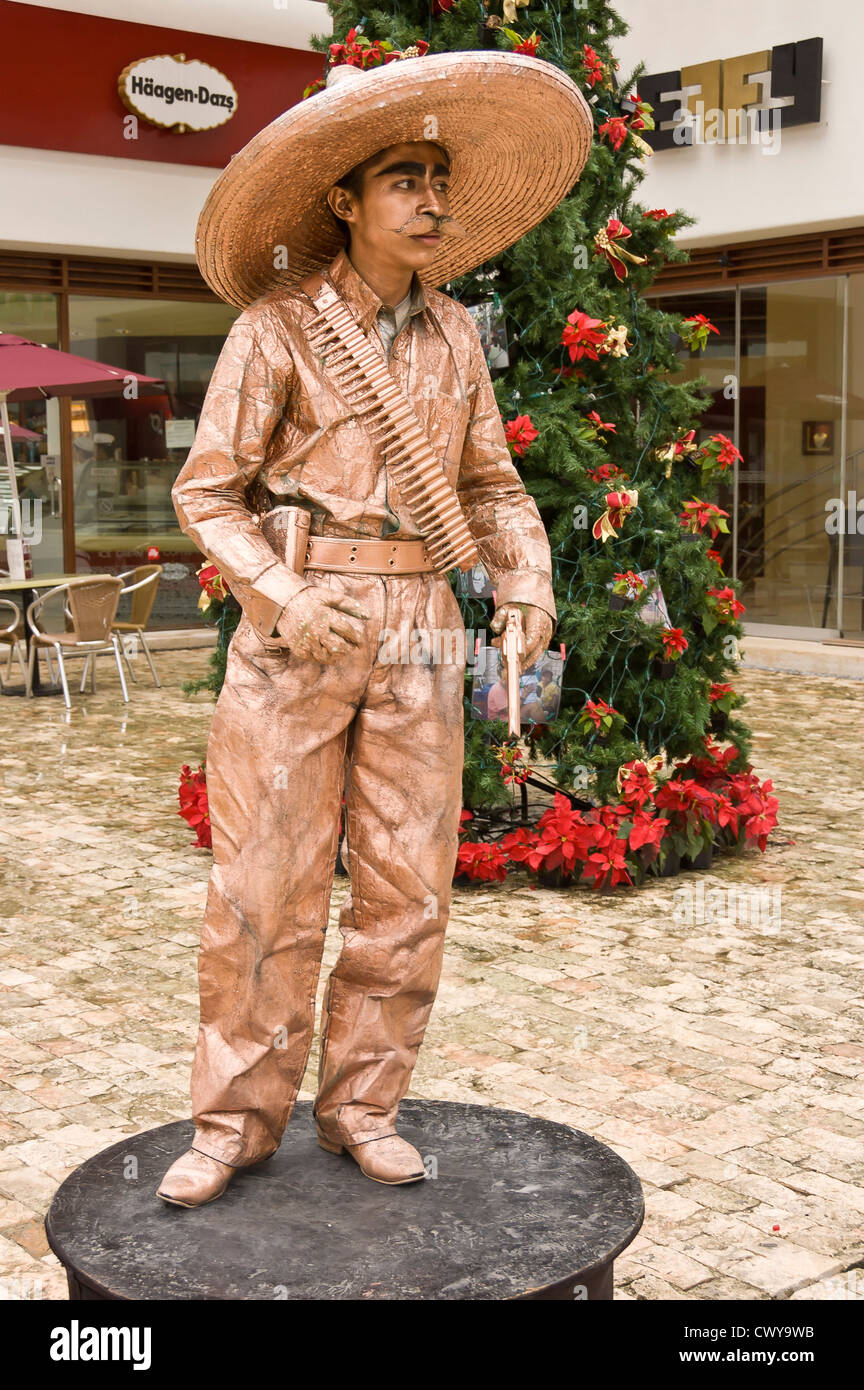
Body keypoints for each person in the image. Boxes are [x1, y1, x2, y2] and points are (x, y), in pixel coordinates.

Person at [157, 48, 591, 1207]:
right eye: (406, 176)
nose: (433, 200)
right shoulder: (278, 327)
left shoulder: (456, 338)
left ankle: (365, 1106)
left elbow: (492, 486)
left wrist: (526, 582)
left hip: (422, 627)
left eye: (442, 180)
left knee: (409, 885)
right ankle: (234, 1121)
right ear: (344, 201)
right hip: (304, 619)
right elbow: (207, 493)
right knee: (264, 883)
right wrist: (280, 595)